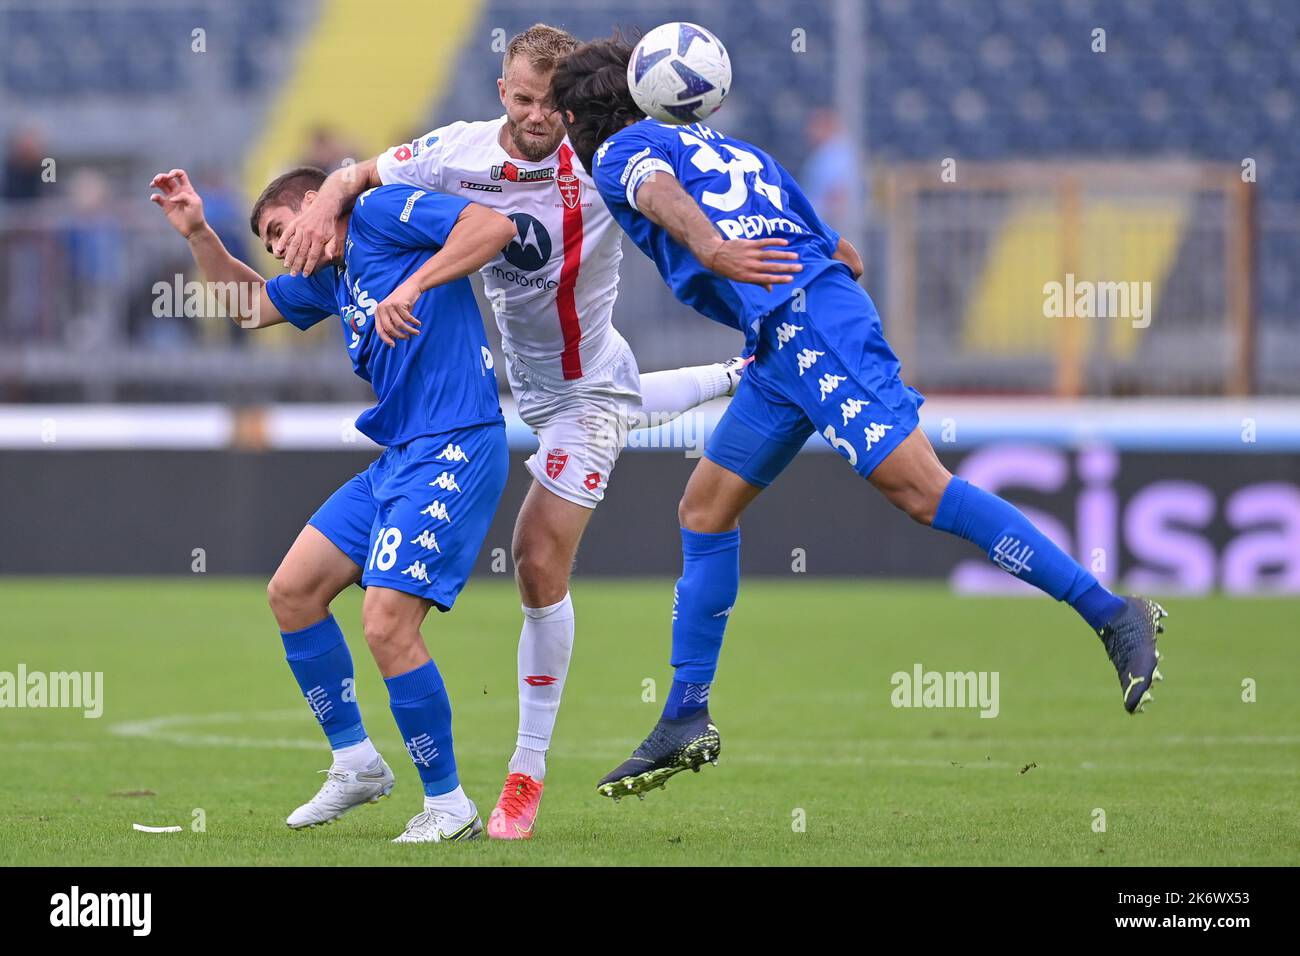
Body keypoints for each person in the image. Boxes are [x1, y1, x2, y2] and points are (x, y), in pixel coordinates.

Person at [549, 32, 1168, 802]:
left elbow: (653, 192)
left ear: (586, 115)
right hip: (787, 333)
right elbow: (844, 250)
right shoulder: (737, 152)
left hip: (803, 321)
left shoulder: (622, 150)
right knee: (704, 511)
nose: (562, 137)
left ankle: (1111, 612)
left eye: (562, 119)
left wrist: (711, 247)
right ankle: (685, 715)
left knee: (920, 490)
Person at [273, 23, 745, 840]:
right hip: (530, 387)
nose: (538, 117)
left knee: (533, 559)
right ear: (502, 91)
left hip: (586, 396)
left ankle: (524, 773)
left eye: (552, 103)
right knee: (633, 400)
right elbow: (355, 174)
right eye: (523, 99)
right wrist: (319, 201)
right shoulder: (455, 151)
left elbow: (690, 207)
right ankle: (745, 373)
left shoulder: (604, 161)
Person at [150, 165, 517, 842]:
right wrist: (200, 232)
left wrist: (413, 283)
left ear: (319, 206)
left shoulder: (378, 213)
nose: (280, 250)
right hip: (400, 458)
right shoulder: (331, 276)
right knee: (292, 592)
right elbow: (252, 307)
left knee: (385, 624)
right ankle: (356, 762)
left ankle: (450, 803)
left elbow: (493, 226)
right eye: (269, 243)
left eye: (282, 232)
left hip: (455, 444)